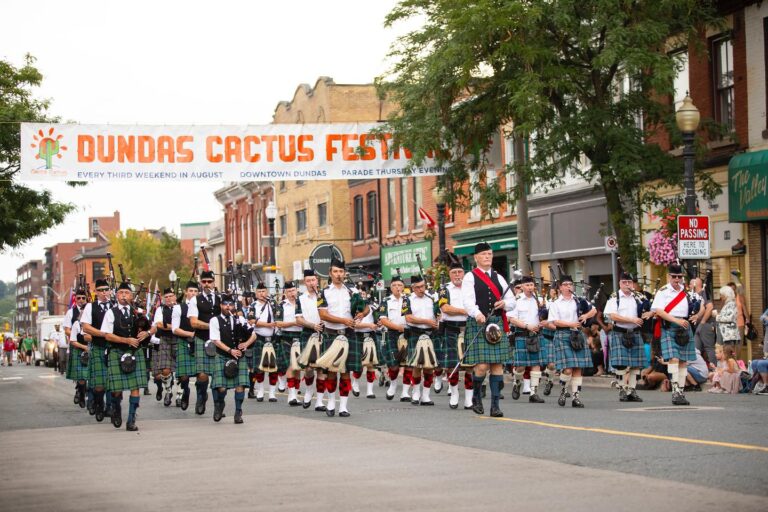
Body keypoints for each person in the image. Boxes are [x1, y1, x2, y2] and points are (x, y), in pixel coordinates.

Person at [461, 242, 516, 417]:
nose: (487, 257)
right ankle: (476, 396)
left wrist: (504, 303)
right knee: (482, 366)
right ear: (476, 257)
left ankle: (495, 406)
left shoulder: (499, 277)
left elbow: (512, 300)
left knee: (497, 365)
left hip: (496, 323)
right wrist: (477, 313)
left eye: (490, 254)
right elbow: (468, 301)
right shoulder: (470, 277)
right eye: (484, 254)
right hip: (479, 323)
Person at [317, 258, 369, 417]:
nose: (338, 275)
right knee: (332, 371)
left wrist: (362, 313)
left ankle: (344, 407)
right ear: (330, 273)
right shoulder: (324, 292)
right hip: (332, 335)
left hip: (349, 335)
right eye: (335, 272)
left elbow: (366, 308)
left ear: (345, 273)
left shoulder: (352, 291)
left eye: (341, 271)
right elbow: (323, 314)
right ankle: (331, 403)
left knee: (346, 372)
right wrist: (343, 320)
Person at [101, 282, 152, 431]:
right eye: (121, 292)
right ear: (117, 295)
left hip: (135, 353)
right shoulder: (111, 312)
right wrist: (126, 340)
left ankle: (131, 419)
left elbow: (153, 327)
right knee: (117, 390)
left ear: (131, 296)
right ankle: (116, 408)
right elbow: (107, 335)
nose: (124, 295)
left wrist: (147, 333)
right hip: (117, 351)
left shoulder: (138, 313)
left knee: (135, 387)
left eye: (127, 293)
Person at [651, 263, 696, 406]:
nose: (677, 279)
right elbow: (659, 311)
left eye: (680, 277)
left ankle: (680, 392)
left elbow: (701, 306)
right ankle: (675, 391)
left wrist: (697, 316)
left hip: (684, 328)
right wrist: (676, 320)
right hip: (669, 327)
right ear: (669, 276)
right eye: (674, 276)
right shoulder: (663, 292)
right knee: (674, 360)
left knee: (683, 361)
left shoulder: (687, 291)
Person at [548, 274, 597, 408]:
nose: (568, 287)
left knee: (577, 368)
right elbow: (555, 321)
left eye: (570, 284)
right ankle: (564, 391)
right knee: (568, 369)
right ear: (560, 287)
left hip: (577, 334)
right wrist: (571, 324)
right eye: (565, 285)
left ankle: (576, 397)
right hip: (563, 334)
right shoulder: (555, 303)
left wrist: (586, 315)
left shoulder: (579, 300)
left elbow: (594, 310)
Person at [603, 272, 648, 402]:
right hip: (619, 332)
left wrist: (649, 313)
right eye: (624, 282)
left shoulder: (638, 297)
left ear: (633, 284)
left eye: (629, 282)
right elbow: (612, 316)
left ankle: (632, 390)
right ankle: (622, 389)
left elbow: (648, 310)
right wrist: (631, 320)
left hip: (634, 332)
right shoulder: (614, 297)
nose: (627, 285)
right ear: (620, 283)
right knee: (621, 365)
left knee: (636, 365)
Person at [209, 294, 255, 424]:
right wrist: (230, 350)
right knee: (221, 388)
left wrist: (246, 344)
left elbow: (254, 334)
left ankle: (238, 412)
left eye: (230, 304)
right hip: (223, 355)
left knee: (240, 385)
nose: (227, 306)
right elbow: (215, 340)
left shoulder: (239, 319)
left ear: (234, 306)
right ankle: (220, 404)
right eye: (225, 304)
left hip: (239, 357)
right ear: (221, 306)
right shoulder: (215, 320)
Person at [436, 262, 474, 409]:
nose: (457, 275)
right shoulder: (444, 289)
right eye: (454, 272)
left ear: (464, 273)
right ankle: (454, 393)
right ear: (450, 274)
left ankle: (469, 399)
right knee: (452, 366)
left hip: (468, 328)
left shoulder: (471, 289)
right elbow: (445, 309)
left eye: (460, 271)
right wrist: (467, 311)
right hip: (451, 329)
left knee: (470, 365)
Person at [507, 275, 547, 403]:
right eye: (527, 285)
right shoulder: (516, 301)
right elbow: (512, 319)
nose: (530, 287)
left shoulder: (539, 300)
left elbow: (546, 317)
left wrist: (543, 321)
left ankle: (533, 393)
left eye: (531, 285)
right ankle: (517, 382)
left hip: (536, 334)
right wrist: (527, 326)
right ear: (522, 287)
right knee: (520, 367)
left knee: (536, 365)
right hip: (522, 334)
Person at [402, 274, 440, 406]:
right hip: (415, 333)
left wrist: (437, 321)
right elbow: (409, 318)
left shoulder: (432, 298)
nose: (421, 289)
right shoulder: (407, 300)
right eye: (417, 287)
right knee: (416, 365)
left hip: (431, 334)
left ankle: (426, 396)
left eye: (422, 286)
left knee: (429, 366)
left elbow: (438, 315)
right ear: (413, 288)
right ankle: (416, 392)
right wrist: (427, 321)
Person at [80, 279, 114, 422]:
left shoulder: (116, 305)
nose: (104, 292)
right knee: (99, 385)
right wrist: (104, 334)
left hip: (114, 348)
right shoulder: (90, 307)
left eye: (106, 289)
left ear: (110, 291)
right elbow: (86, 327)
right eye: (100, 290)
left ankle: (111, 407)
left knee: (113, 382)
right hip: (99, 346)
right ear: (96, 292)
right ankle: (99, 405)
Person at [187, 270, 220, 415]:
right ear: (201, 283)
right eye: (204, 282)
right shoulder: (195, 300)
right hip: (202, 339)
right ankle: (201, 396)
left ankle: (219, 404)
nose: (207, 284)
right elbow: (193, 322)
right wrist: (212, 326)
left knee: (219, 375)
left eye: (209, 282)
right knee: (202, 375)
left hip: (219, 341)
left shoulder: (222, 299)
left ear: (214, 282)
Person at [378, 276, 410, 401]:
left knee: (408, 364)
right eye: (395, 285)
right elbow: (383, 320)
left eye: (400, 285)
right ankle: (393, 384)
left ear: (403, 287)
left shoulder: (408, 300)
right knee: (394, 365)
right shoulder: (386, 301)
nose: (398, 287)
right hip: (391, 334)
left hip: (407, 334)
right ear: (391, 288)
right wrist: (398, 328)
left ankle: (405, 392)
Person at [296, 269, 325, 409]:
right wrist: (313, 325)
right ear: (304, 282)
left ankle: (319, 401)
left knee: (321, 368)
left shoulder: (324, 296)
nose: (311, 283)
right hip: (308, 333)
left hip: (324, 334)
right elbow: (298, 319)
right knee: (308, 368)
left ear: (317, 281)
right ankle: (308, 390)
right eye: (308, 281)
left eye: (313, 280)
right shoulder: (300, 298)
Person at [172, 281, 200, 410]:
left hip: (199, 343)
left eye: (195, 291)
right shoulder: (179, 308)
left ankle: (201, 397)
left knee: (202, 374)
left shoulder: (202, 306)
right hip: (184, 342)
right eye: (191, 291)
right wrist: (190, 334)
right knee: (184, 376)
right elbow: (175, 329)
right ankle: (186, 391)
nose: (193, 293)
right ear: (185, 292)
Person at [275, 281, 304, 406]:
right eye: (289, 291)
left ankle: (295, 394)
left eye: (293, 290)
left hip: (302, 336)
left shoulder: (303, 303)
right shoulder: (281, 305)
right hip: (287, 337)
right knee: (290, 366)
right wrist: (293, 323)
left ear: (296, 290)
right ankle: (291, 395)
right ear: (285, 293)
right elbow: (278, 323)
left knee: (298, 368)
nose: (292, 293)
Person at [152, 288, 179, 406]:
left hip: (179, 340)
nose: (168, 298)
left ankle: (180, 393)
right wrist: (175, 327)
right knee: (165, 370)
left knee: (180, 371)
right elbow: (158, 324)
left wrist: (168, 326)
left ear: (175, 297)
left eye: (171, 296)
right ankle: (168, 391)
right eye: (166, 296)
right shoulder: (160, 309)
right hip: (165, 340)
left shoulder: (181, 308)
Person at [690, 278, 716, 365]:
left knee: (709, 348)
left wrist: (702, 322)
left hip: (706, 325)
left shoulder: (704, 293)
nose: (689, 286)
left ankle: (714, 371)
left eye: (690, 284)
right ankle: (698, 368)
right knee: (696, 350)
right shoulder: (694, 295)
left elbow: (710, 307)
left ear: (695, 285)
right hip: (698, 326)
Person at [66, 317, 91, 407]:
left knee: (93, 379)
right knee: (82, 378)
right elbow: (73, 341)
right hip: (79, 352)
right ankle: (81, 395)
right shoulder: (77, 324)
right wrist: (85, 348)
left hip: (92, 351)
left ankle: (94, 400)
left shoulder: (94, 322)